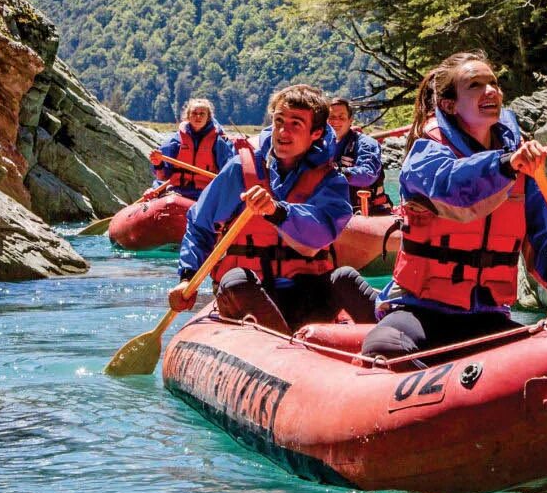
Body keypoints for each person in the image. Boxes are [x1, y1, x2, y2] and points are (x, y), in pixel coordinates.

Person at [361, 51, 547, 357]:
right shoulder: (425, 155)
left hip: (488, 314)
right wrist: (505, 164)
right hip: (420, 309)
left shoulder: (522, 167)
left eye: (493, 83)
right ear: (449, 104)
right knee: (384, 348)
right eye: (475, 85)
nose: (491, 91)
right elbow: (455, 191)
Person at [168, 82, 382, 334]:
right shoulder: (241, 170)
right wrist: (187, 276)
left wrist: (277, 211)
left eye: (295, 124)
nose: (282, 131)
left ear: (315, 133)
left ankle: (395, 340)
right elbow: (199, 224)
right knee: (235, 279)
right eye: (279, 120)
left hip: (305, 294)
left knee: (344, 277)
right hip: (251, 292)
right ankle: (284, 343)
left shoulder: (329, 179)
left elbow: (321, 233)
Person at [149, 97, 233, 200]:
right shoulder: (177, 140)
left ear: (208, 117)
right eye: (194, 113)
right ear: (188, 116)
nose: (198, 116)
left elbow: (228, 170)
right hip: (178, 190)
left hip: (205, 193)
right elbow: (162, 176)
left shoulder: (218, 141)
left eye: (202, 114)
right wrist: (158, 164)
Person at [326, 97, 392, 215]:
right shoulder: (321, 145)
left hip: (369, 211)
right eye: (331, 117)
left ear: (350, 120)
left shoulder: (366, 144)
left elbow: (368, 174)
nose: (336, 121)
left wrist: (338, 171)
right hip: (335, 210)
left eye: (341, 117)